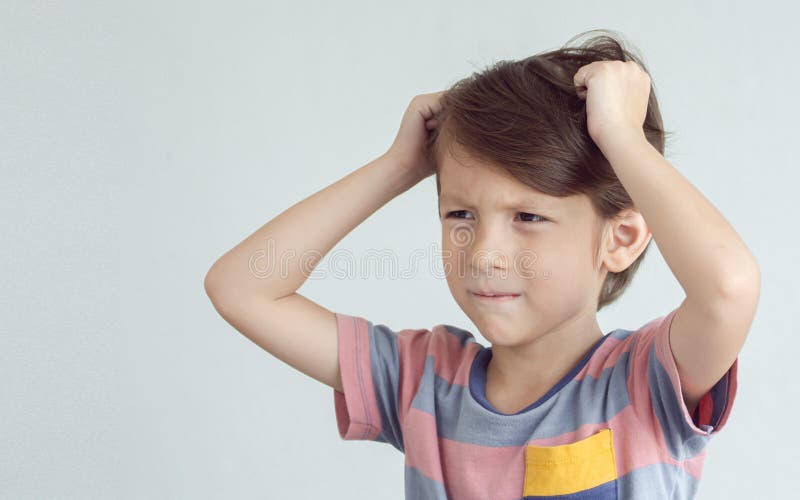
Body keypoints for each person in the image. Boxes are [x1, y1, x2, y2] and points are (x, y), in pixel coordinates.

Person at [204, 29, 760, 499]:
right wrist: (397, 168)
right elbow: (240, 288)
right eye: (461, 214)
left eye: (528, 217)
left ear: (621, 238)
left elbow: (729, 287)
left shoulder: (645, 384)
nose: (484, 253)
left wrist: (619, 137)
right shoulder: (421, 382)